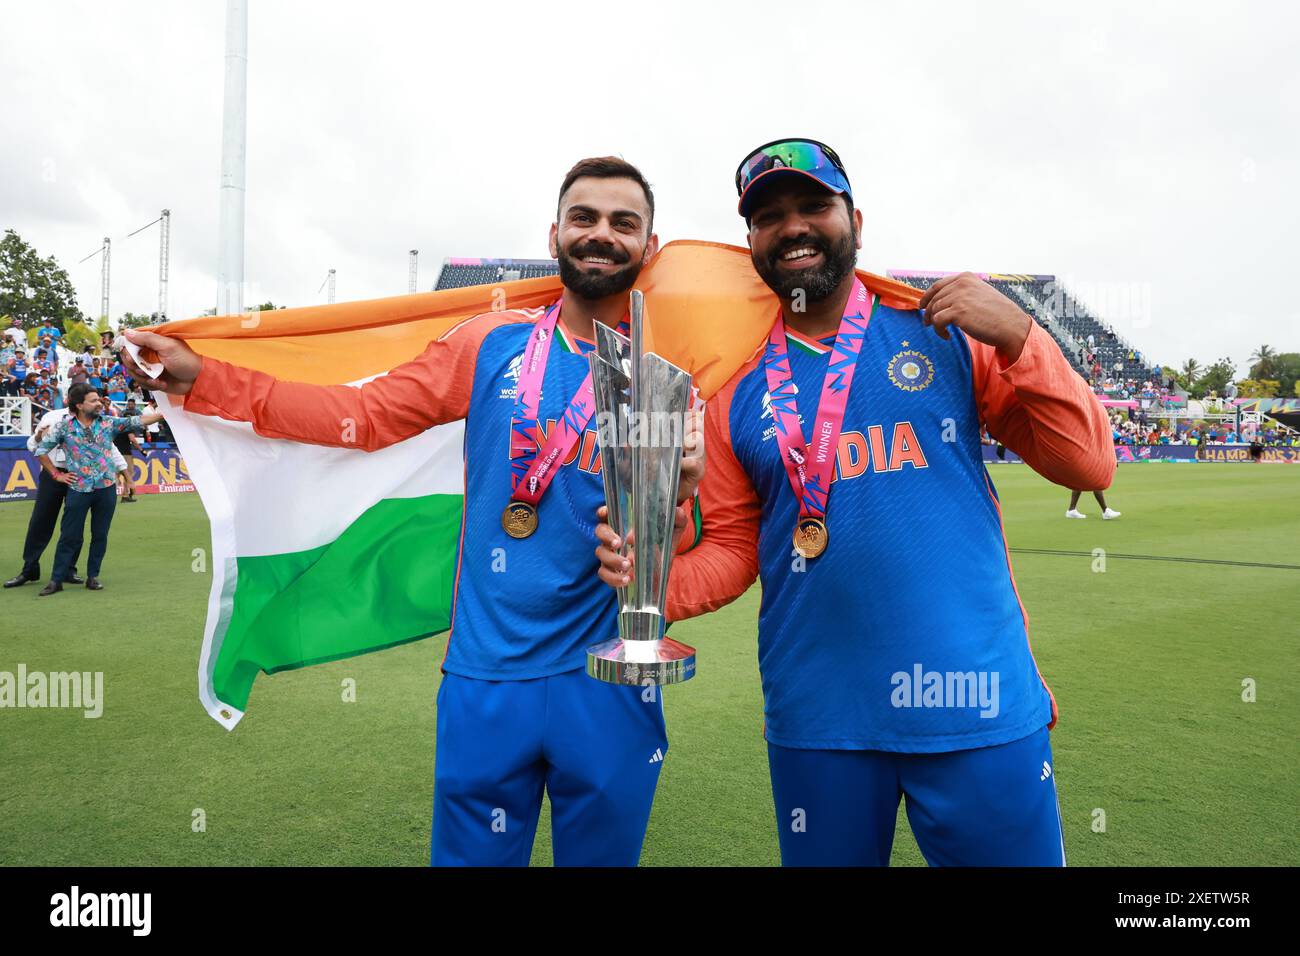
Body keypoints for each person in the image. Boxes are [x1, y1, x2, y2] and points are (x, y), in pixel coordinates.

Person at [122, 157, 703, 867]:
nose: (601, 235)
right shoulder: (490, 343)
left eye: (623, 223)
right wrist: (208, 377)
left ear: (648, 243)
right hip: (486, 679)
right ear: (554, 234)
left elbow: (695, 532)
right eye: (584, 218)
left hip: (611, 679)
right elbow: (361, 416)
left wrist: (676, 521)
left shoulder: (670, 381)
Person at [595, 137, 1114, 866]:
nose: (794, 226)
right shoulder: (734, 392)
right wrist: (649, 582)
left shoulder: (946, 336)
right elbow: (737, 551)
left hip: (977, 705)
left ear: (855, 219)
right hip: (819, 720)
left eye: (814, 205)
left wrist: (1025, 336)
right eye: (770, 216)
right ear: (752, 242)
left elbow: (1086, 462)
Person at [32, 383, 164, 594]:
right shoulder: (64, 427)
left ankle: (93, 576)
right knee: (69, 535)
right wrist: (57, 475)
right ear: (79, 405)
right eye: (93, 400)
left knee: (100, 534)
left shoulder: (108, 424)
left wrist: (165, 414)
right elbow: (40, 449)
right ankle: (56, 580)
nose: (99, 403)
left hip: (106, 488)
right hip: (78, 489)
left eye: (99, 399)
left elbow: (137, 420)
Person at [4, 407, 93, 588]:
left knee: (74, 524)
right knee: (40, 521)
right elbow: (32, 444)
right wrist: (38, 437)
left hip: (78, 475)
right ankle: (29, 569)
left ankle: (69, 569)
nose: (95, 403)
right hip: (52, 473)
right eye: (90, 399)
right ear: (76, 401)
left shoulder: (93, 420)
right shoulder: (51, 416)